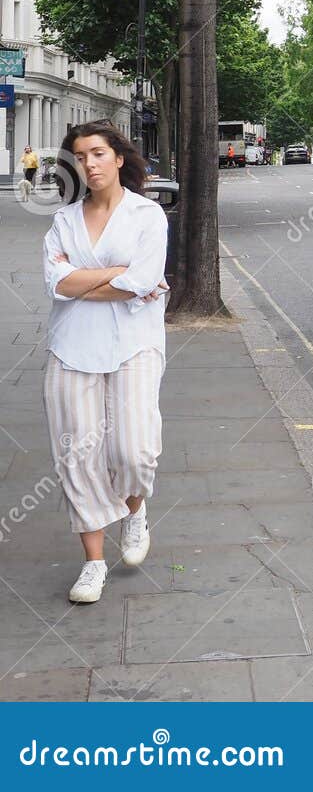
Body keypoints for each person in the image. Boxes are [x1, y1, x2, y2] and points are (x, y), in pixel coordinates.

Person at [41, 120, 170, 605]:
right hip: (71, 346)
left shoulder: (147, 216)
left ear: (118, 157)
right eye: (79, 156)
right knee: (77, 454)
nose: (89, 164)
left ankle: (135, 510)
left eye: (97, 153)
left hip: (135, 343)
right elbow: (56, 283)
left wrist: (85, 279)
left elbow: (144, 279)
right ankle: (93, 563)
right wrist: (119, 276)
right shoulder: (64, 222)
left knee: (134, 451)